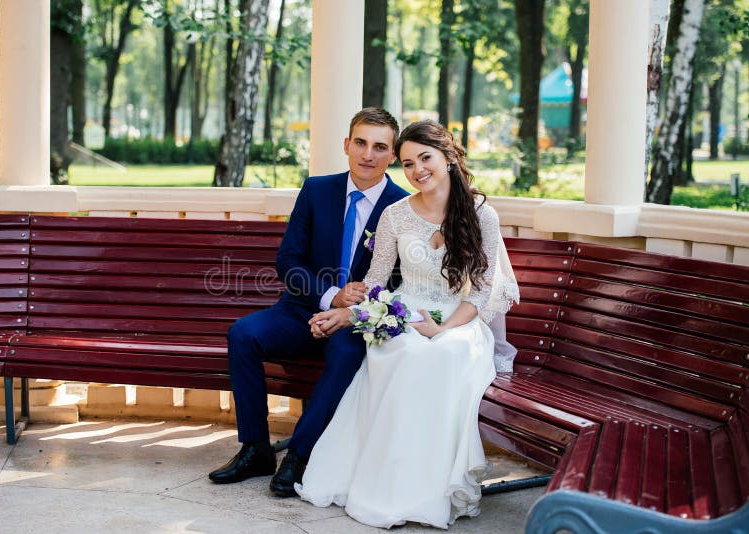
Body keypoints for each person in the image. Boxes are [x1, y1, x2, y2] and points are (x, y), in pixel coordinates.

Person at [294, 120, 520, 529]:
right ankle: (385, 480)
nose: (418, 170)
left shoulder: (481, 214)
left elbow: (485, 289)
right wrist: (360, 314)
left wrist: (447, 326)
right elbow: (378, 282)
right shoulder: (395, 215)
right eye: (408, 163)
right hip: (406, 312)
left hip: (461, 318)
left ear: (448, 157)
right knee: (401, 349)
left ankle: (429, 486)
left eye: (425, 158)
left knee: (445, 353)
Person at [208, 108, 409, 497]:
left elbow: (402, 281)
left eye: (380, 147)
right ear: (346, 145)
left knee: (347, 353)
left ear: (393, 155)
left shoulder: (402, 207)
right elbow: (288, 261)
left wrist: (348, 310)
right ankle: (255, 449)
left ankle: (299, 456)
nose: (368, 154)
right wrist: (329, 295)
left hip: (355, 322)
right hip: (300, 310)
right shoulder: (317, 190)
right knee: (243, 333)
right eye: (361, 143)